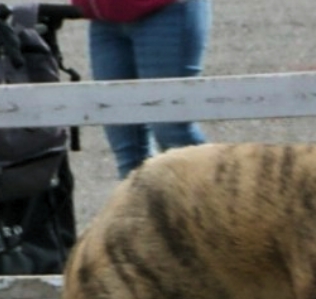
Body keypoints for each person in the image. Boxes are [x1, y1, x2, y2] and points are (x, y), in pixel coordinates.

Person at [72, 0, 212, 178]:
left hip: (164, 9)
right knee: (129, 154)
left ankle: (217, 201)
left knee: (173, 133)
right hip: (105, 17)